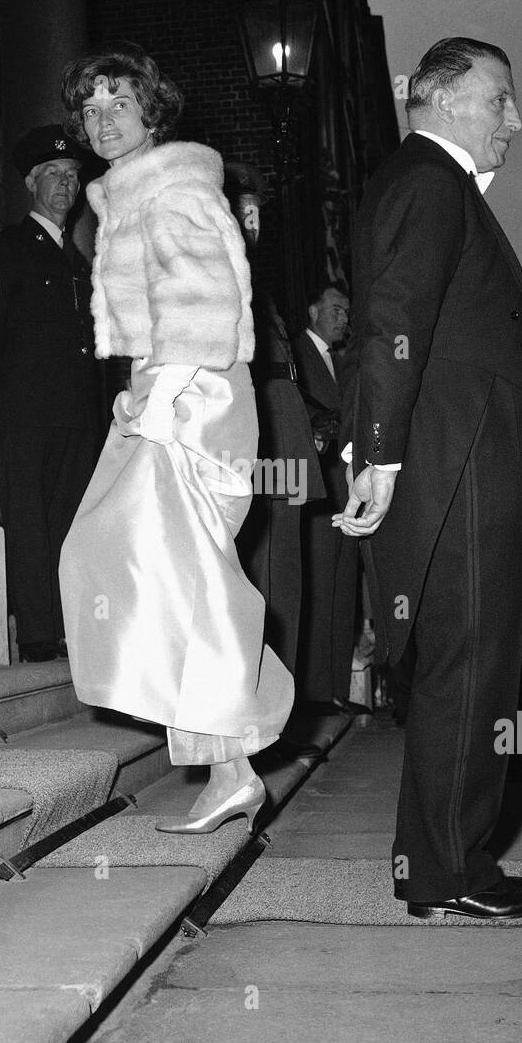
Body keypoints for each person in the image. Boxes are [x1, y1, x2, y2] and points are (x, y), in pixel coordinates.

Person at [336, 37, 522, 919]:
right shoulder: (429, 179)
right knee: (470, 665)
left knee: (467, 662)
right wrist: (379, 454)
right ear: (443, 95)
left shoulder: (432, 183)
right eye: (500, 97)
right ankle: (449, 873)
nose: (515, 117)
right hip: (460, 453)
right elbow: (394, 320)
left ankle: (438, 866)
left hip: (468, 450)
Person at [58, 44, 292, 833]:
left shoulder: (173, 194)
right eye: (89, 108)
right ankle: (231, 768)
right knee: (176, 579)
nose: (100, 119)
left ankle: (235, 762)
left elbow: (201, 315)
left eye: (117, 102)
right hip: (172, 397)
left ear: (152, 109)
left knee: (165, 574)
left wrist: (155, 403)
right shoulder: (136, 196)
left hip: (191, 404)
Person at [0, 125, 100, 662]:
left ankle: (71, 629)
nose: (65, 184)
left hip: (76, 416)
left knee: (70, 521)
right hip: (24, 414)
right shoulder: (5, 249)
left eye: (72, 176)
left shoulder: (78, 264)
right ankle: (41, 636)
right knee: (27, 521)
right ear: (30, 183)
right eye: (53, 175)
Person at [226, 162, 325, 679]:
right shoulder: (221, 275)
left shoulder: (253, 279)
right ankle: (262, 697)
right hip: (257, 425)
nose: (252, 225)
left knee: (285, 562)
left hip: (282, 421)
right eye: (241, 213)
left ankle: (285, 696)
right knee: (262, 560)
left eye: (255, 214)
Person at [293, 283, 360, 711]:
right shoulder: (295, 353)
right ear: (313, 310)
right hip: (315, 488)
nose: (343, 318)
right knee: (318, 586)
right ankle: (315, 692)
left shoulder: (341, 360)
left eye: (346, 312)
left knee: (343, 585)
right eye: (335, 309)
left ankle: (336, 689)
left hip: (345, 487)